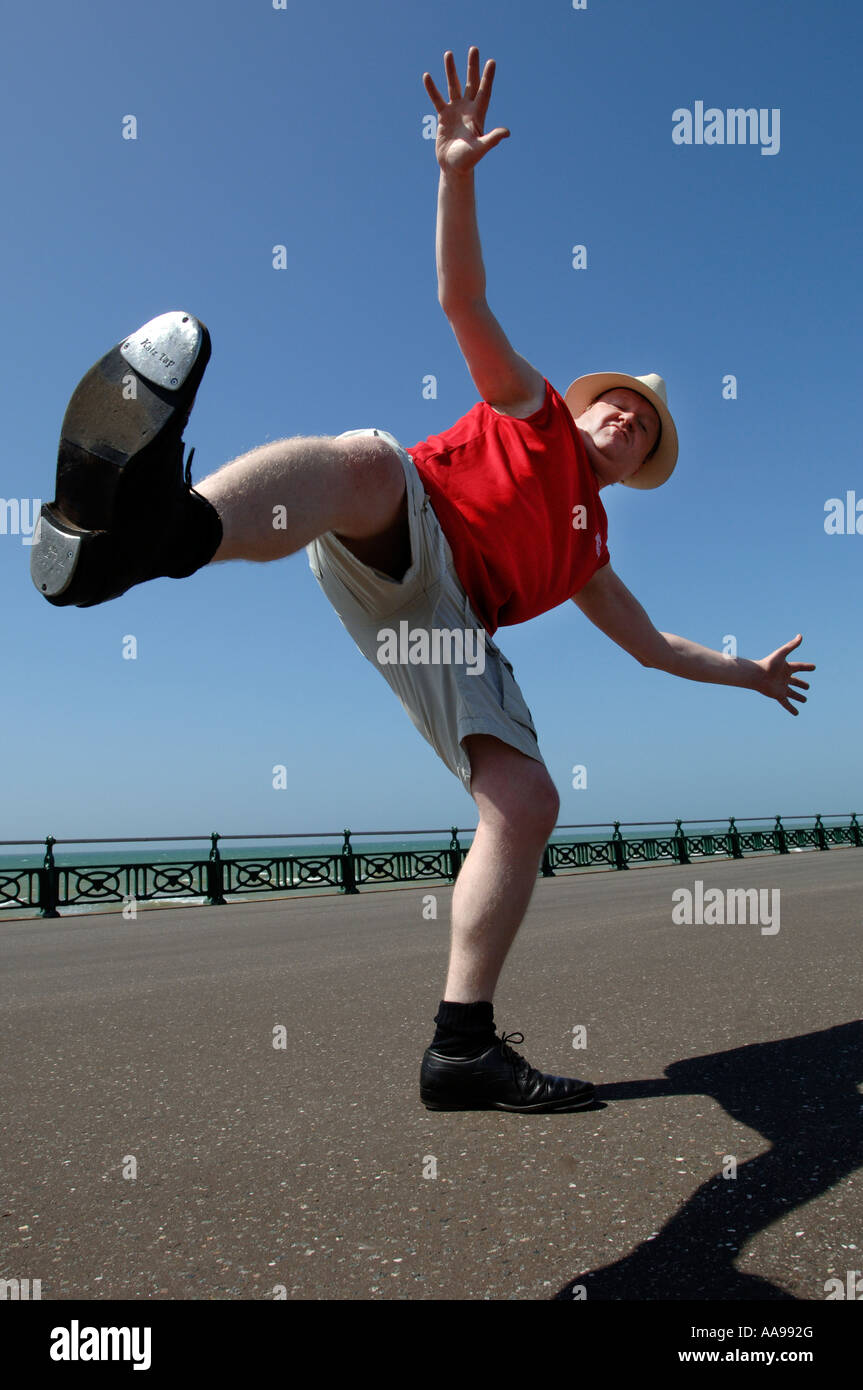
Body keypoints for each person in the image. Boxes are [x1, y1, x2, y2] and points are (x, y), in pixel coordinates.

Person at [31, 48, 814, 1113]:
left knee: (527, 799)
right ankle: (157, 537)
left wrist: (751, 676)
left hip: (446, 625)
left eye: (640, 432)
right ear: (580, 408)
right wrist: (455, 170)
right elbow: (463, 297)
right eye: (616, 406)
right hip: (403, 516)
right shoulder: (530, 410)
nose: (623, 423)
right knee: (363, 458)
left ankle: (461, 1047)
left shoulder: (589, 552)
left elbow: (652, 648)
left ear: (637, 469)